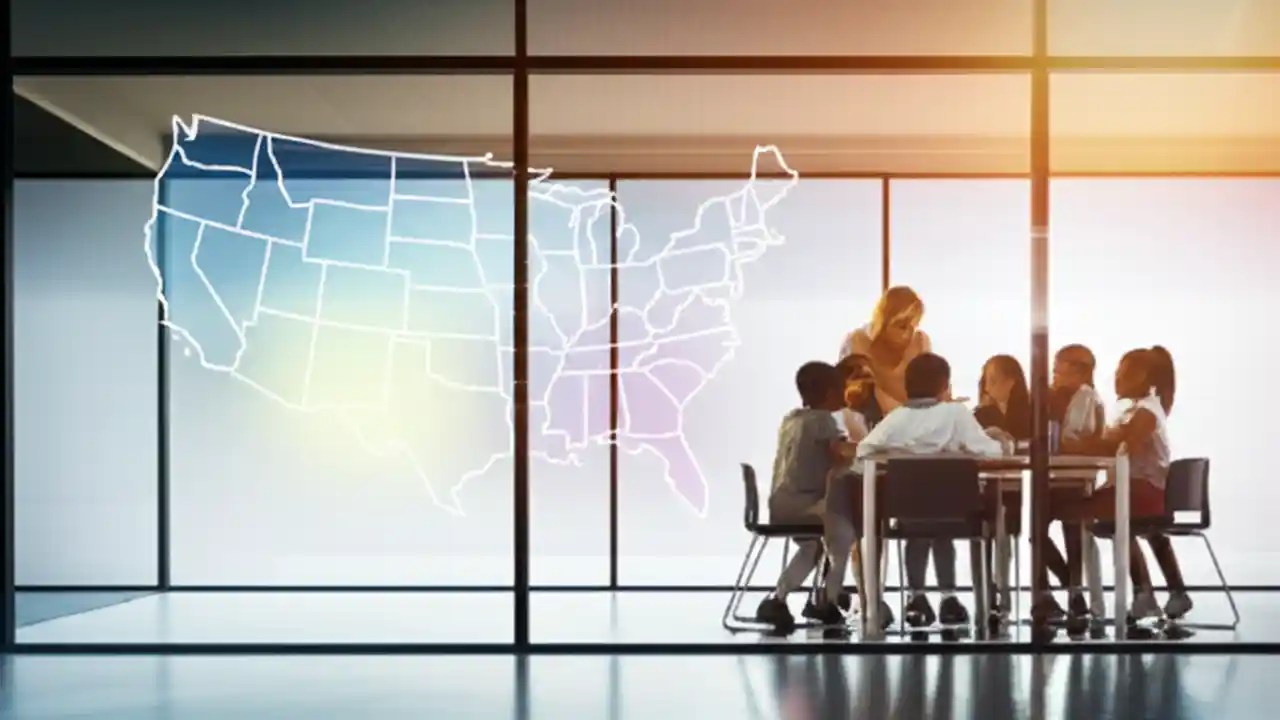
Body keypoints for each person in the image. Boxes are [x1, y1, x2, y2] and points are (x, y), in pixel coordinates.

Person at [856, 353, 1009, 627]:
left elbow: (864, 449)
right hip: (956, 511)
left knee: (917, 525)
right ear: (944, 386)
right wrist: (999, 439)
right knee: (943, 528)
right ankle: (949, 598)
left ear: (907, 385)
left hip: (907, 510)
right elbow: (989, 451)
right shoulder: (955, 413)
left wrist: (902, 451)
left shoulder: (896, 418)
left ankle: (916, 597)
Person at [1055, 348, 1184, 620]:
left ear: (1143, 377)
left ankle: (1089, 591)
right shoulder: (1137, 409)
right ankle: (1154, 593)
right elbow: (1112, 440)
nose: (1116, 378)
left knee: (1076, 514)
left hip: (1142, 492)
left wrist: (1076, 447)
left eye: (1123, 372)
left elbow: (1117, 445)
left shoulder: (1146, 412)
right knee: (1113, 522)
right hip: (1139, 491)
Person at [755, 361, 866, 632]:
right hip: (804, 505)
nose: (845, 394)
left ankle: (779, 598)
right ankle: (827, 600)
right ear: (829, 393)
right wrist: (874, 445)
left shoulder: (791, 419)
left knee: (813, 547)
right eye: (842, 389)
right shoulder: (822, 421)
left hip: (782, 504)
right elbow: (841, 451)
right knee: (845, 533)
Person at [1030, 345, 1109, 623]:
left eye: (1058, 369)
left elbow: (1070, 439)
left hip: (1074, 479)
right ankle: (1070, 585)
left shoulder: (1086, 397)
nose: (1054, 374)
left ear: (1079, 371)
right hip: (1059, 478)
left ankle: (1072, 588)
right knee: (1036, 530)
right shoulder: (1060, 397)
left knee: (1065, 531)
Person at [1143, 345, 1192, 619]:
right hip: (1160, 486)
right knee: (1154, 535)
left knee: (1127, 523)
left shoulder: (1147, 409)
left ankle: (1145, 593)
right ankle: (1175, 591)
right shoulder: (1160, 403)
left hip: (1153, 487)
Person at [839, 286, 931, 414]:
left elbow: (930, 390)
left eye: (913, 327)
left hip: (915, 421)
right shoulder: (857, 342)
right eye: (902, 326)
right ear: (884, 322)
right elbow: (858, 396)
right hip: (869, 423)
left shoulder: (920, 342)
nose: (908, 334)